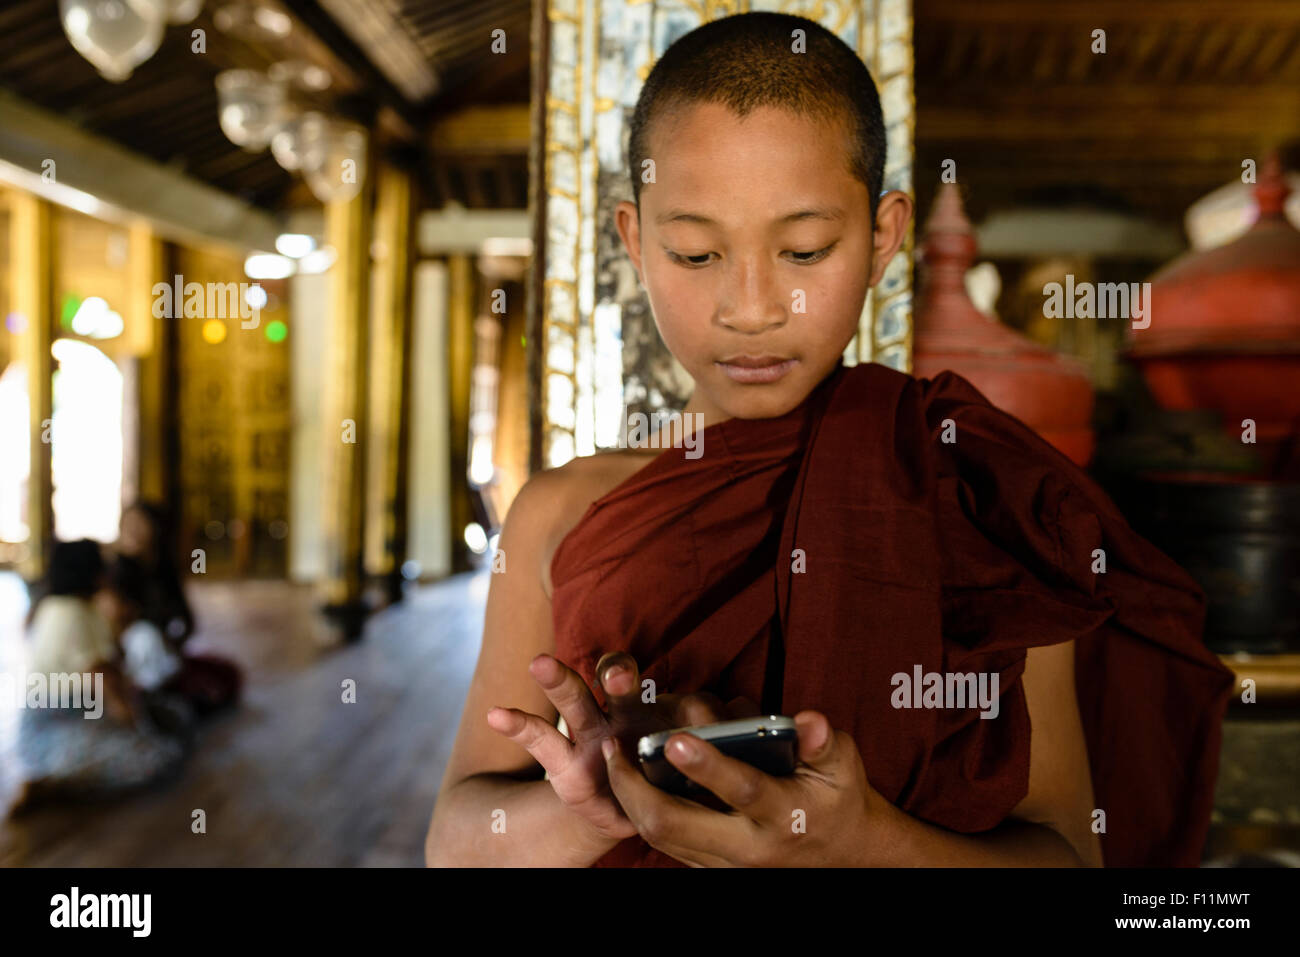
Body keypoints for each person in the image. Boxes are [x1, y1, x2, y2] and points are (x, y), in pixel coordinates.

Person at [425, 12, 1234, 867]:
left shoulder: (975, 490)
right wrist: (590, 809)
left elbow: (1069, 853)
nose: (751, 306)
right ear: (635, 239)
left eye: (805, 250)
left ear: (884, 236)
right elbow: (456, 842)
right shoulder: (559, 512)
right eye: (697, 255)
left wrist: (864, 842)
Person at [7, 539, 187, 816]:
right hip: (55, 727)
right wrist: (141, 731)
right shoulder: (69, 613)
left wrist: (117, 618)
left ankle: (66, 776)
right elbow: (109, 688)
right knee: (158, 758)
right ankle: (54, 782)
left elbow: (115, 664)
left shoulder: (82, 608)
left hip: (88, 714)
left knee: (176, 717)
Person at [112, 501, 242, 716]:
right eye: (128, 524)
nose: (133, 531)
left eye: (139, 524)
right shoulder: (115, 569)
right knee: (144, 639)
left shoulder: (164, 569)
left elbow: (186, 617)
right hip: (134, 653)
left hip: (164, 651)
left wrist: (173, 641)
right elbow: (118, 622)